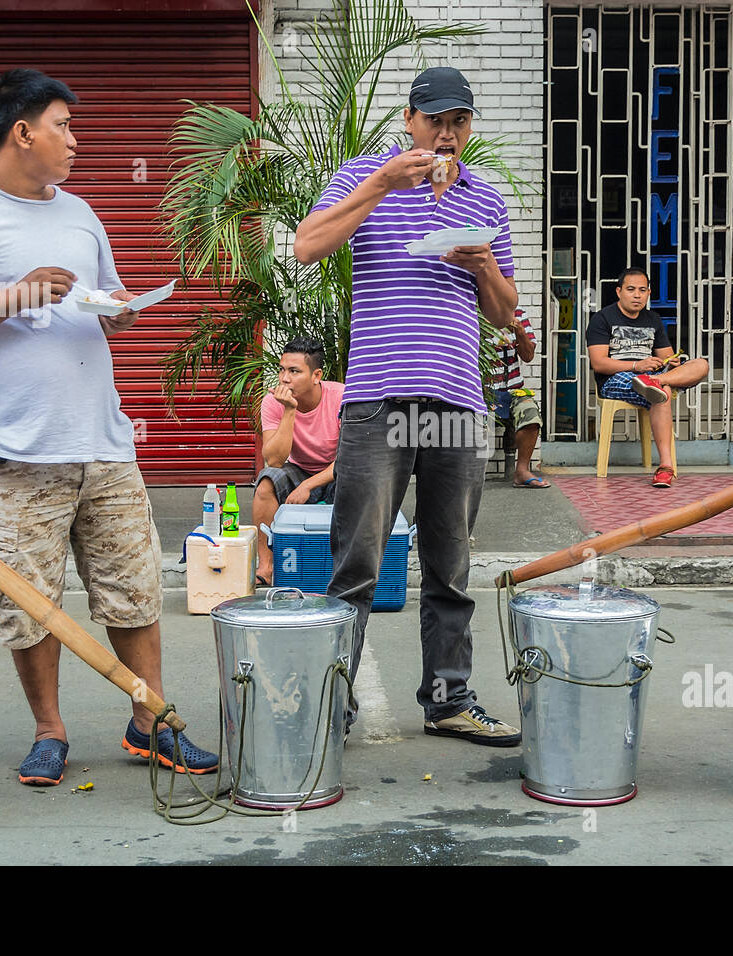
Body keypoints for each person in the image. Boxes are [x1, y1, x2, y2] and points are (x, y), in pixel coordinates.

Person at [0, 68, 216, 786]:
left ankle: (149, 722)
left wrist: (121, 308)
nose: (76, 139)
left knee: (133, 588)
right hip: (15, 449)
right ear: (22, 133)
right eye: (64, 125)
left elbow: (100, 295)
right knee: (27, 603)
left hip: (103, 439)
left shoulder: (80, 213)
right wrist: (13, 295)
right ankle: (49, 731)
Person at [294, 66, 521, 746]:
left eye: (459, 121)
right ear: (410, 120)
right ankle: (334, 703)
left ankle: (449, 700)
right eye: (435, 120)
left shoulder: (486, 197)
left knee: (450, 565)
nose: (447, 132)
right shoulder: (363, 177)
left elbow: (507, 316)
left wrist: (484, 266)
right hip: (377, 398)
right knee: (357, 563)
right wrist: (380, 184)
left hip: (456, 398)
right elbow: (307, 246)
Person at [586, 268, 710, 487]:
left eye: (642, 290)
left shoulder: (653, 319)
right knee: (660, 394)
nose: (637, 295)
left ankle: (657, 382)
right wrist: (637, 365)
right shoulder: (602, 318)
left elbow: (667, 357)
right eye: (631, 289)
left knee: (701, 364)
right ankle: (666, 466)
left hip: (652, 377)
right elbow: (599, 363)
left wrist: (671, 364)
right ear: (619, 291)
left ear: (649, 293)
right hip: (615, 378)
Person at [253, 336, 343, 585]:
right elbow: (274, 460)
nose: (284, 378)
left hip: (336, 470)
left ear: (316, 375)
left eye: (294, 371)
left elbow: (350, 458)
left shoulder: (341, 398)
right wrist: (289, 410)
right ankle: (267, 567)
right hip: (297, 469)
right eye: (282, 370)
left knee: (358, 478)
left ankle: (347, 566)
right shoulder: (273, 402)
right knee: (266, 483)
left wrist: (308, 486)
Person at [491, 308, 550, 488]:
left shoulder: (518, 314)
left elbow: (528, 356)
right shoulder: (473, 309)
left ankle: (522, 470)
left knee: (530, 412)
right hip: (480, 390)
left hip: (513, 390)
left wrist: (519, 331)